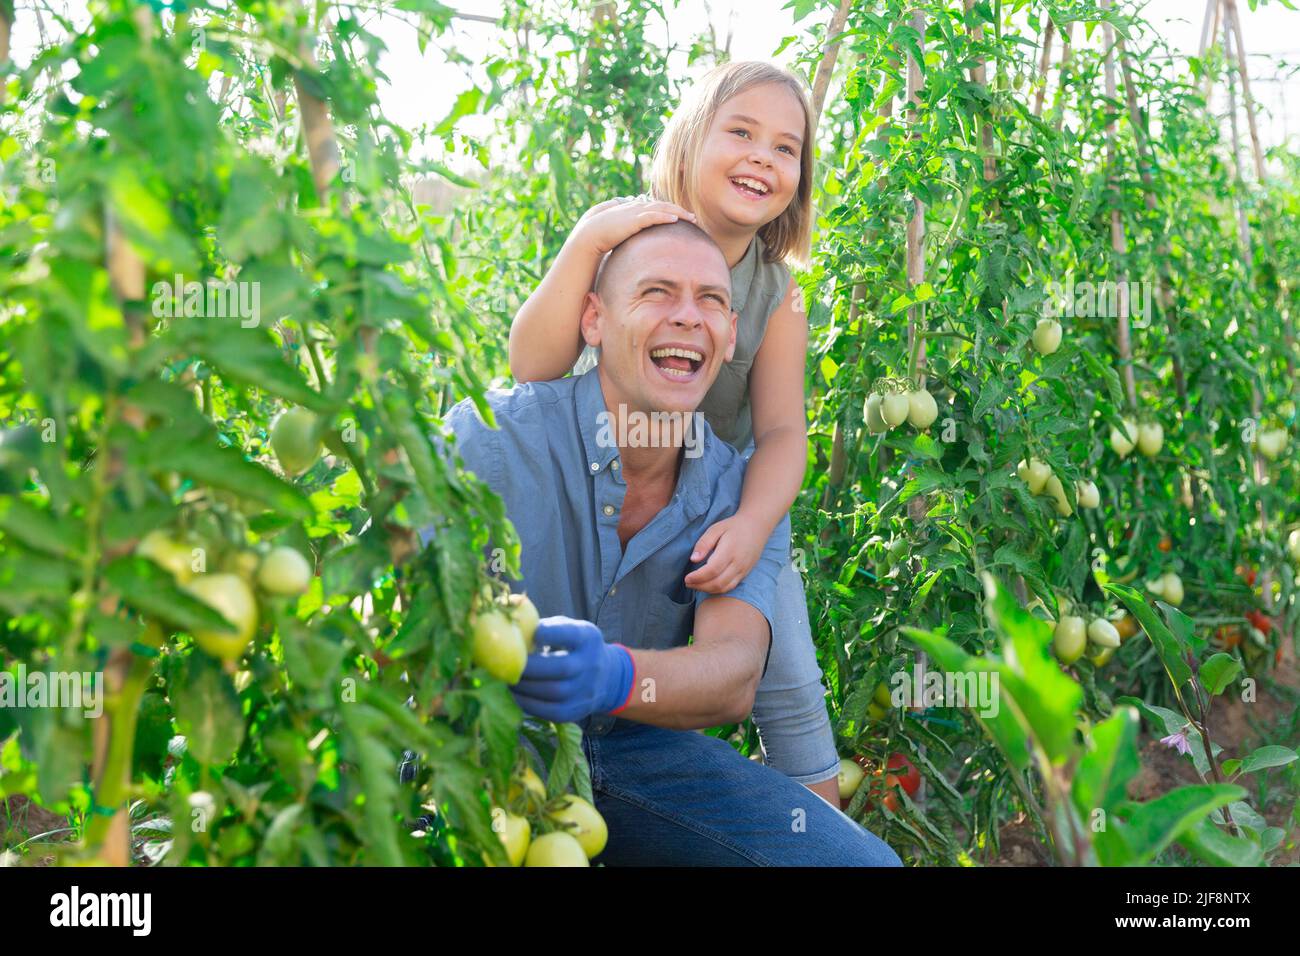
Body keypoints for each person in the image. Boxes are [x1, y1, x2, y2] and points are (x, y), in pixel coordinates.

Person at [441, 218, 899, 865]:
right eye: (657, 292)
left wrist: (616, 676)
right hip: (479, 744)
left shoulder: (740, 493)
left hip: (633, 748)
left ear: (731, 333)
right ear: (593, 320)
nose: (689, 317)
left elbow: (735, 672)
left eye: (711, 300)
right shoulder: (486, 442)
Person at [508, 61, 839, 802]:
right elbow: (532, 366)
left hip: (721, 499)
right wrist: (585, 242)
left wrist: (753, 526)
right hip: (620, 474)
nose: (764, 156)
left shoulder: (777, 295)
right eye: (743, 132)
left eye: (787, 148)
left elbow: (784, 435)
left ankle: (823, 831)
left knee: (783, 677)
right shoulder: (628, 235)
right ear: (689, 143)